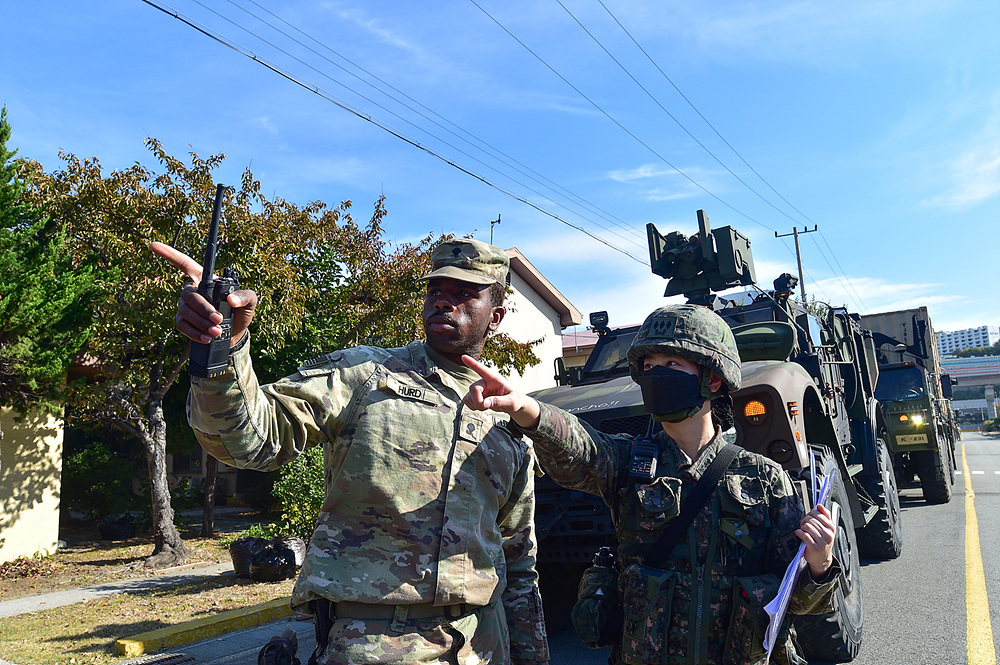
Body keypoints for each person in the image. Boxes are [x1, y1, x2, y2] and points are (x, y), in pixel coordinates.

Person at [151, 237, 549, 665]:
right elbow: (249, 440)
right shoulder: (364, 375)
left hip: (485, 648)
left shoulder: (510, 420)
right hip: (372, 648)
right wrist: (221, 345)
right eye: (436, 291)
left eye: (464, 293)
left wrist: (533, 657)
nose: (443, 302)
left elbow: (519, 564)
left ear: (497, 317)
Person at [461, 304, 840, 665]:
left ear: (712, 378)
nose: (657, 375)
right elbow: (583, 447)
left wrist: (820, 563)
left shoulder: (766, 479)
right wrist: (526, 408)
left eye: (672, 363)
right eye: (649, 366)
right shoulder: (630, 464)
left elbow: (797, 601)